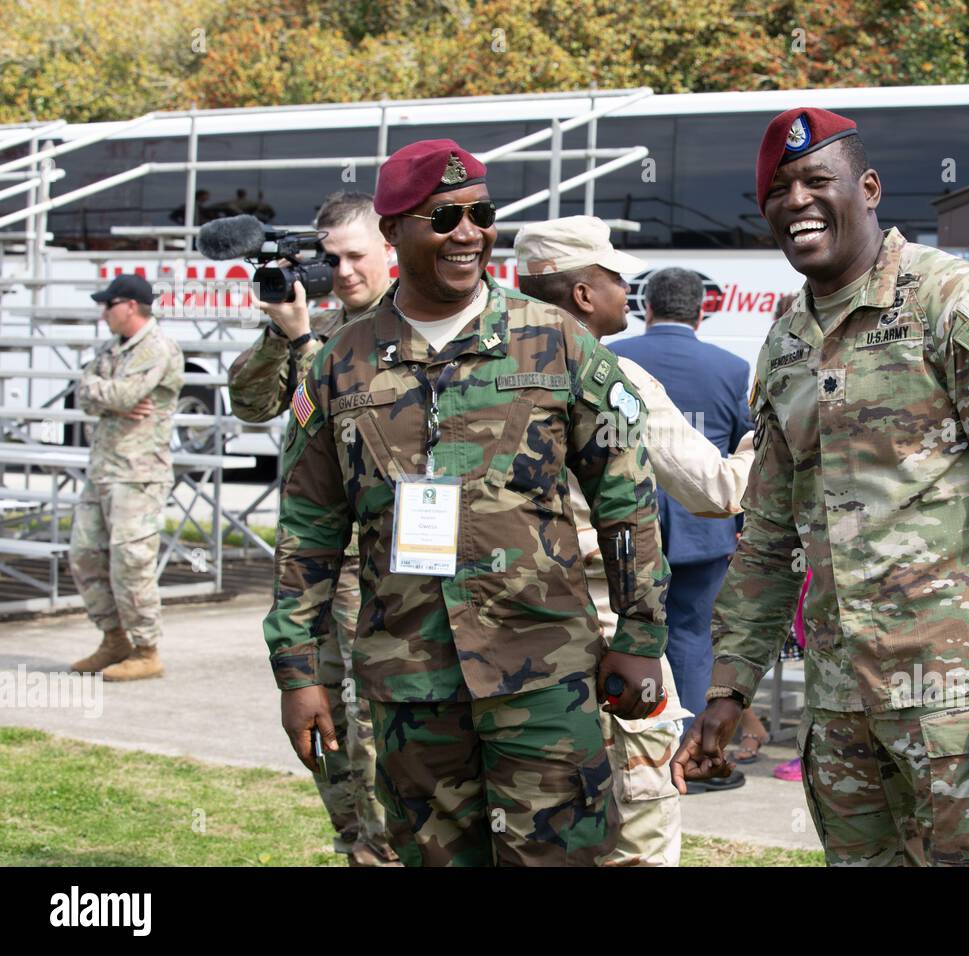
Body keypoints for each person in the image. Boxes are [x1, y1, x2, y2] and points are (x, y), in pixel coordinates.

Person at [670, 107, 969, 866]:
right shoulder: (787, 342)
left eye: (816, 180)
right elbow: (765, 536)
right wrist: (728, 691)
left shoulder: (954, 303)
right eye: (779, 190)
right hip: (839, 708)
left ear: (867, 188)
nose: (796, 201)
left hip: (958, 701)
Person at [264, 140, 669, 867]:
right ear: (394, 232)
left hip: (545, 673)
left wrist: (640, 636)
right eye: (443, 216)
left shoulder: (556, 342)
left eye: (480, 214)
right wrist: (300, 674)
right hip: (408, 684)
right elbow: (307, 530)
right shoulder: (338, 363)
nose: (467, 233)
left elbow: (626, 498)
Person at [514, 214, 755, 863]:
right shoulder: (613, 379)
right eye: (617, 278)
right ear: (585, 296)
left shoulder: (474, 381)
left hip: (503, 648)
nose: (628, 292)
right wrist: (771, 441)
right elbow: (719, 490)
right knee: (641, 826)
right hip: (611, 645)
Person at [228, 191, 398, 867]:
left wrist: (302, 343)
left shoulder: (405, 329)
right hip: (319, 568)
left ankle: (382, 848)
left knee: (374, 727)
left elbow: (335, 424)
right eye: (331, 259)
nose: (344, 271)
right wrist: (282, 332)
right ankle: (358, 841)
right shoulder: (317, 325)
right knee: (326, 721)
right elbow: (249, 403)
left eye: (356, 255)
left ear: (389, 248)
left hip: (382, 570)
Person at [610, 267, 754, 791]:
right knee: (693, 636)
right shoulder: (731, 366)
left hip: (628, 521)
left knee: (624, 629)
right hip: (702, 524)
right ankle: (693, 754)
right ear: (701, 310)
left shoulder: (618, 357)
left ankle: (632, 751)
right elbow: (741, 450)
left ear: (647, 306)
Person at [69, 274, 184, 681]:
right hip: (103, 469)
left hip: (138, 475)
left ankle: (146, 649)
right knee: (84, 554)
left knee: (131, 562)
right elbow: (83, 392)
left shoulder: (157, 347)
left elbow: (122, 396)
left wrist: (109, 397)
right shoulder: (111, 348)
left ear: (131, 306)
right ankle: (114, 638)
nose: (103, 312)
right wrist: (109, 396)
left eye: (109, 304)